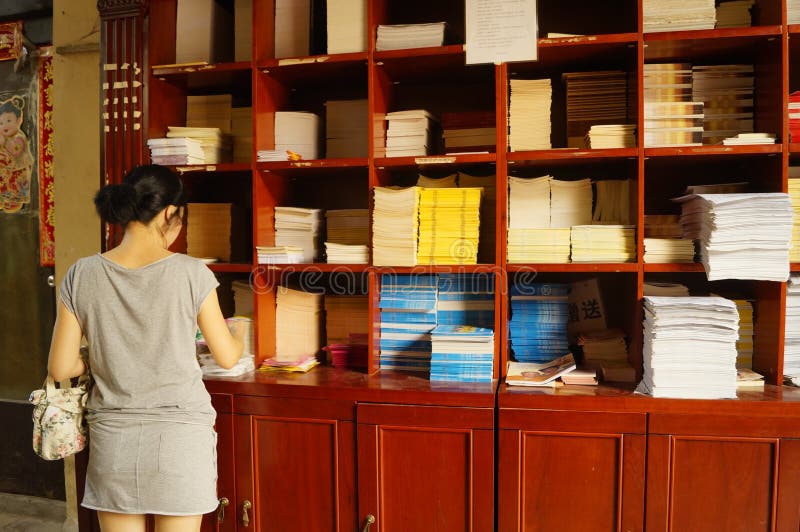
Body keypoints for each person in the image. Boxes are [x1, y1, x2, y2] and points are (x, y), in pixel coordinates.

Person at [47, 164, 245, 531]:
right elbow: (227, 356)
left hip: (114, 442)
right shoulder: (192, 273)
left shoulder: (82, 274)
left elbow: (60, 368)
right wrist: (242, 333)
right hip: (181, 440)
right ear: (170, 212)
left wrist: (97, 357)